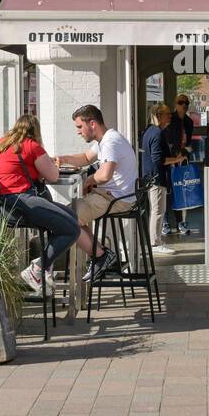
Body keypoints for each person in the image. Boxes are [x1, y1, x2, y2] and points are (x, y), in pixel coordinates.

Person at [0, 114, 79, 296]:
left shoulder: (2, 143)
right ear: (36, 131)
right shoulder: (32, 146)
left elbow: (14, 169)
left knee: (72, 217)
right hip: (23, 202)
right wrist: (53, 165)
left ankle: (43, 268)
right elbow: (53, 176)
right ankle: (38, 268)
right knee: (72, 229)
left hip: (5, 206)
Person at [56, 105, 140, 284]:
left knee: (65, 218)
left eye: (79, 127)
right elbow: (86, 158)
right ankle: (101, 255)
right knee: (69, 216)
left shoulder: (110, 142)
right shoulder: (105, 139)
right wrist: (64, 159)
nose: (78, 132)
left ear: (92, 123)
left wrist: (87, 182)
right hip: (109, 196)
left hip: (115, 199)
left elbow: (104, 175)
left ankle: (101, 256)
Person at [141, 104, 185, 258]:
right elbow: (158, 160)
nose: (170, 116)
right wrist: (177, 159)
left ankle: (156, 240)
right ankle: (155, 243)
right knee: (158, 211)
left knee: (156, 210)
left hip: (150, 177)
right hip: (156, 177)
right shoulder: (157, 133)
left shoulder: (149, 132)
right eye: (167, 114)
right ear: (159, 116)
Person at [161, 94, 197, 236]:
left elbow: (188, 140)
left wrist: (187, 150)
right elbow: (168, 140)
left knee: (181, 192)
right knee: (168, 191)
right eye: (181, 103)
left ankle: (180, 222)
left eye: (186, 103)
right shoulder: (171, 119)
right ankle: (165, 222)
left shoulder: (188, 121)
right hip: (171, 160)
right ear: (176, 104)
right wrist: (175, 155)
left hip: (183, 159)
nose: (184, 105)